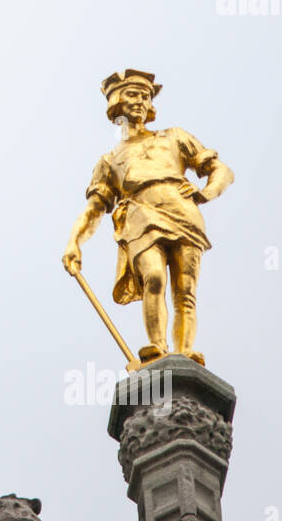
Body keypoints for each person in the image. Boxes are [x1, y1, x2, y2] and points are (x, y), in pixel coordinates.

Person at [62, 70, 233, 365]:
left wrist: (205, 193)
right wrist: (74, 242)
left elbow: (222, 171)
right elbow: (94, 209)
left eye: (145, 96)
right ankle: (157, 346)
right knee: (153, 276)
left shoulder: (174, 137)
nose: (140, 101)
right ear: (116, 102)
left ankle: (184, 352)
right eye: (132, 94)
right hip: (140, 215)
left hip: (183, 212)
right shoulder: (110, 160)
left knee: (186, 291)